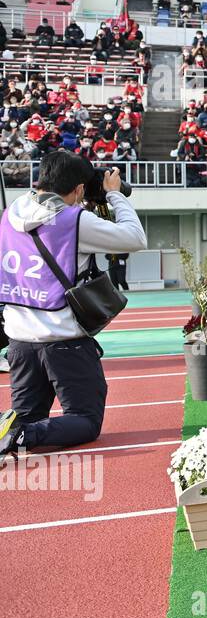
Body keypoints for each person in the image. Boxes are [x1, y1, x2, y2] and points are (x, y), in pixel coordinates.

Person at [0, 153, 146, 457]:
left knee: (26, 416)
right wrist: (115, 195)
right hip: (64, 340)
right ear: (79, 189)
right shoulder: (75, 220)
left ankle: (19, 430)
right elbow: (135, 238)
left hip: (19, 341)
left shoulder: (12, 212)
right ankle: (22, 432)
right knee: (86, 421)